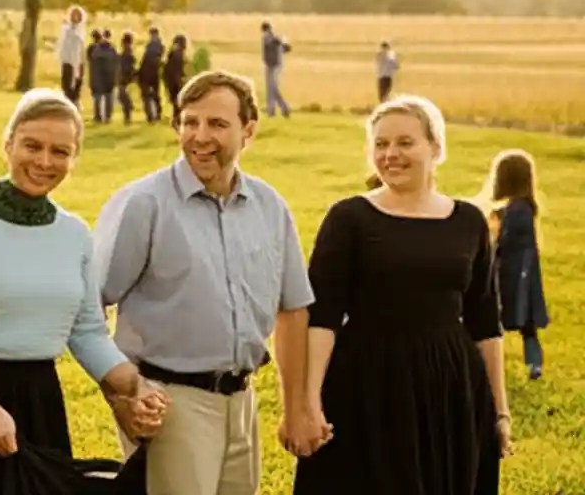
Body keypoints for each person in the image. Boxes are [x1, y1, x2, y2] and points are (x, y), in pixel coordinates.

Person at [0, 88, 165, 494]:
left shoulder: (74, 233)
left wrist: (135, 385)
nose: (44, 161)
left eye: (60, 151)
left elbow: (88, 332)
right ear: (8, 144)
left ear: (73, 158)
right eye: (32, 146)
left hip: (39, 402)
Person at [96, 69, 328, 495]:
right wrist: (123, 395)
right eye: (190, 122)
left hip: (241, 401)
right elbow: (88, 306)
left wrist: (296, 407)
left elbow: (292, 309)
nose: (200, 136)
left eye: (217, 124)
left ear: (248, 131)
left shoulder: (269, 206)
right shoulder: (143, 204)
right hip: (169, 401)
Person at [294, 95, 512, 495]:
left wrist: (499, 411)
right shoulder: (349, 218)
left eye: (404, 143)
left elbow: (485, 321)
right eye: (380, 144)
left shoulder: (468, 221)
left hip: (451, 386)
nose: (390, 154)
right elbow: (321, 319)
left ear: (436, 147)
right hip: (367, 386)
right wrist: (308, 403)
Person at [475, 148, 549, 381]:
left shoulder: (516, 211)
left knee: (495, 322)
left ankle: (487, 363)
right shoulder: (523, 208)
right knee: (527, 326)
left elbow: (503, 244)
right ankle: (534, 365)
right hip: (522, 277)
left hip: (511, 277)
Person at [56, 5, 89, 108]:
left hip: (78, 61)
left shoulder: (81, 30)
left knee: (77, 84)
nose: (75, 17)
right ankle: (68, 104)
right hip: (67, 60)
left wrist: (82, 60)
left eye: (78, 15)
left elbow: (81, 46)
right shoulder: (66, 29)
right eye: (74, 14)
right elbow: (62, 44)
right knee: (66, 84)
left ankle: (75, 103)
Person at [260, 21, 291, 118]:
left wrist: (281, 43)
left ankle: (273, 110)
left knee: (271, 88)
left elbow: (286, 48)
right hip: (271, 66)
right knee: (272, 88)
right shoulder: (273, 39)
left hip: (274, 66)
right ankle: (282, 108)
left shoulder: (273, 39)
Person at [90, 29, 119, 124]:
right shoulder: (112, 50)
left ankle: (98, 117)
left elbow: (92, 64)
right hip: (109, 77)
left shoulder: (95, 51)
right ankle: (107, 117)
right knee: (108, 98)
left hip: (98, 77)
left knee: (98, 98)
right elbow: (116, 64)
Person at [137, 27, 164, 124]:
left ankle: (151, 116)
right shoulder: (160, 46)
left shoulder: (152, 46)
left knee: (148, 96)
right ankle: (157, 114)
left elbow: (147, 60)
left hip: (148, 73)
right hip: (154, 73)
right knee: (155, 95)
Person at [162, 34, 189, 128]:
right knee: (178, 102)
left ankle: (176, 120)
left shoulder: (172, 53)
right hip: (175, 82)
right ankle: (177, 121)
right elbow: (177, 70)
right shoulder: (179, 54)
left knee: (176, 102)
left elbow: (167, 68)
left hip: (170, 81)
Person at [117, 31, 137, 125]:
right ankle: (127, 117)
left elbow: (126, 66)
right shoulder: (129, 51)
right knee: (123, 98)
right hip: (126, 78)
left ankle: (127, 118)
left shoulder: (126, 52)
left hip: (124, 79)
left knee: (123, 98)